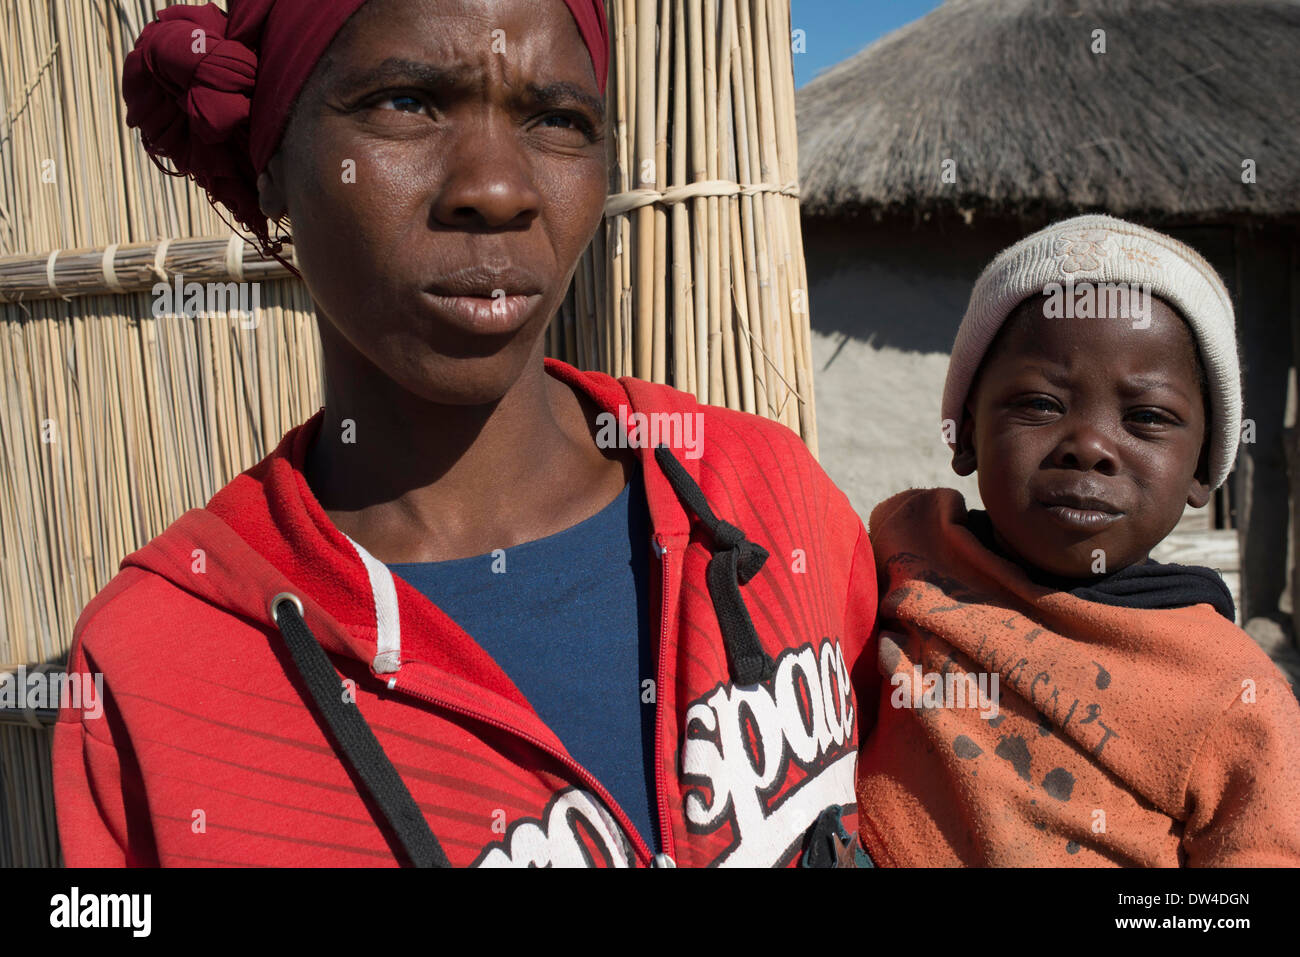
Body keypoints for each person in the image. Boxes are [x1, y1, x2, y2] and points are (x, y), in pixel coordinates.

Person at [53, 0, 878, 867]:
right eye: (405, 102)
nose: (497, 189)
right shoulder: (157, 676)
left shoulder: (767, 498)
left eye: (559, 119)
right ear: (271, 165)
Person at [856, 214, 1300, 866]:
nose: (1089, 446)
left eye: (1146, 417)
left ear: (1205, 467)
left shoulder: (1234, 692)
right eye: (1039, 403)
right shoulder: (909, 545)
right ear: (967, 434)